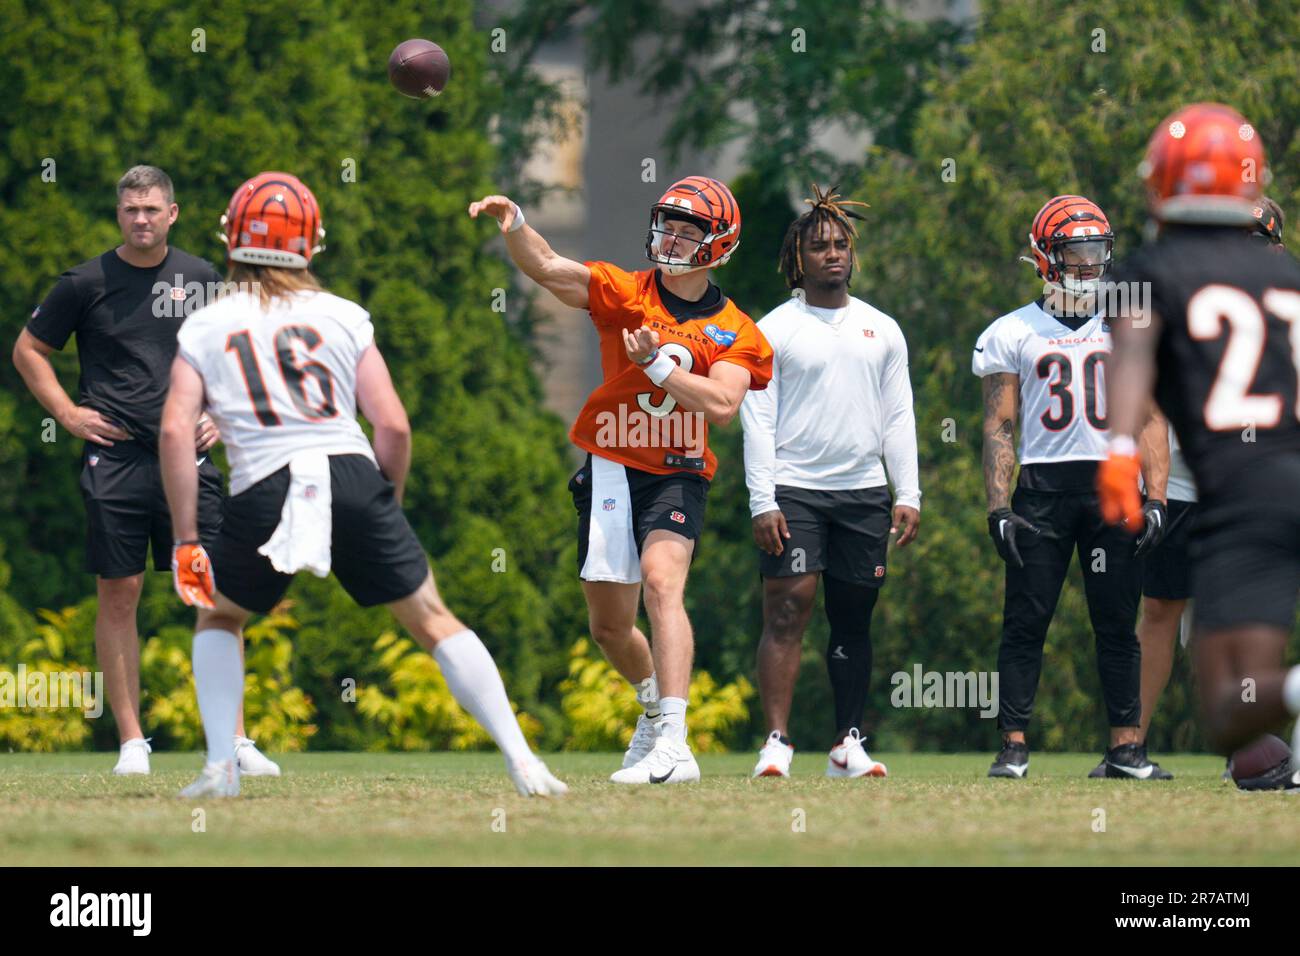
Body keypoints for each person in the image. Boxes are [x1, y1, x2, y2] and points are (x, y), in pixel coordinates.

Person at [161, 171, 566, 798]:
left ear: (233, 238)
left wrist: (187, 536)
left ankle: (220, 770)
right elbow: (394, 425)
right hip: (348, 472)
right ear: (310, 243)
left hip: (265, 480)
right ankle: (525, 762)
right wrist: (386, 503)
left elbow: (173, 433)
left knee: (220, 619)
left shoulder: (208, 324)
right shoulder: (342, 315)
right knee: (433, 619)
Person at [469, 176, 773, 783]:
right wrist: (517, 223)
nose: (674, 236)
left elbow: (721, 406)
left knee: (663, 585)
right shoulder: (627, 291)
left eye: (691, 229)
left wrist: (656, 364)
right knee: (609, 627)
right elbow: (553, 268)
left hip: (678, 471)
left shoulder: (738, 329)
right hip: (610, 463)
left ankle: (677, 744)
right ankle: (653, 704)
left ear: (720, 243)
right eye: (670, 222)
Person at [12, 165, 277, 777]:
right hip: (116, 458)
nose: (140, 219)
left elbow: (239, 350)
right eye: (130, 209)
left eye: (152, 209)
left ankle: (234, 739)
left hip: (190, 458)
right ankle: (132, 743)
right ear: (118, 214)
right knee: (119, 592)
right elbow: (29, 350)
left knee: (212, 593)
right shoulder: (82, 283)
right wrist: (67, 414)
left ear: (173, 213)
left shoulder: (202, 278)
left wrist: (223, 411)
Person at [1100, 104, 1300, 787]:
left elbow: (1130, 363)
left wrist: (1120, 447)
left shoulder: (1151, 270)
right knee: (1247, 698)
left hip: (1241, 495)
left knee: (1227, 706)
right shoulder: (1287, 276)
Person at [974, 194, 1170, 780]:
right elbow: (999, 424)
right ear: (1043, 257)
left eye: (1095, 251)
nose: (1087, 265)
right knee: (1025, 621)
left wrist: (1156, 498)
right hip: (1042, 491)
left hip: (1113, 489)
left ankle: (1126, 749)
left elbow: (1151, 417)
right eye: (1074, 252)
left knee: (1117, 624)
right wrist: (998, 507)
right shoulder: (1011, 331)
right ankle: (1012, 745)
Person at [742, 185, 920, 779]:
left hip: (864, 493)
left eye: (841, 244)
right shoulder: (774, 329)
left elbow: (899, 417)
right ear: (799, 258)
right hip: (794, 489)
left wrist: (908, 492)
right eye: (820, 246)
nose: (833, 254)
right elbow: (757, 418)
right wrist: (762, 499)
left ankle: (847, 744)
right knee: (788, 611)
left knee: (853, 619)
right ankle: (777, 742)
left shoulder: (882, 330)